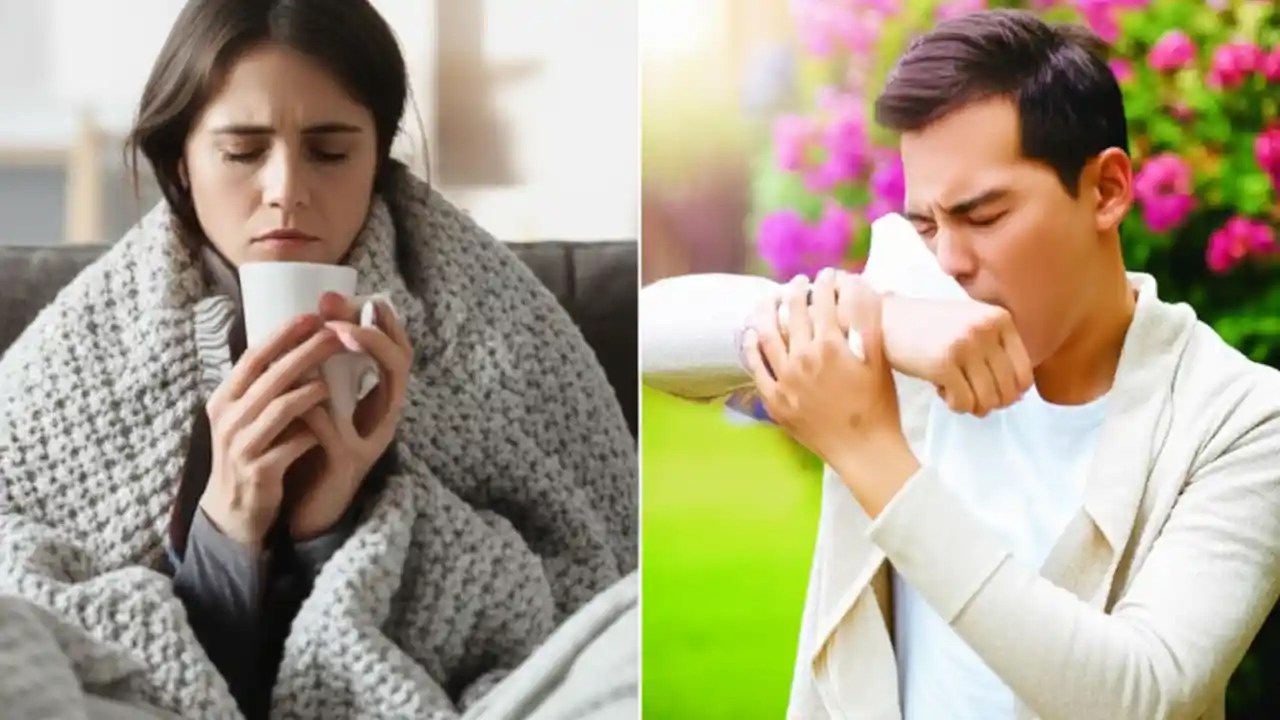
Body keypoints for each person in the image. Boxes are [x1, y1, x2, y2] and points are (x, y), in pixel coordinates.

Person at [0, 1, 636, 719]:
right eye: (242, 152)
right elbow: (52, 610)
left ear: (377, 157)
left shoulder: (496, 328)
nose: (286, 191)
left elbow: (594, 577)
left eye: (331, 152)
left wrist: (337, 524)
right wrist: (227, 529)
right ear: (180, 160)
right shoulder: (81, 360)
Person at [641, 9, 1280, 720]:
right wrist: (891, 319)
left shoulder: (1241, 417)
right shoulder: (913, 309)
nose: (949, 259)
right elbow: (653, 334)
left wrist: (871, 454)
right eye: (926, 223)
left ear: (1106, 190)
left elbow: (1142, 693)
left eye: (983, 217)